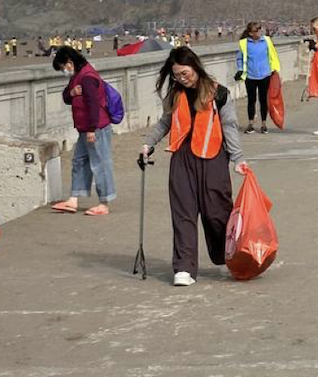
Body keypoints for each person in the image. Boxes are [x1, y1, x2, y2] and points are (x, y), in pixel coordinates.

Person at [140, 47, 248, 286]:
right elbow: (165, 123)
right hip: (182, 159)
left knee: (217, 212)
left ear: (195, 67)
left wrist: (238, 159)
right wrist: (148, 144)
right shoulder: (175, 95)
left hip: (214, 159)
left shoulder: (219, 94)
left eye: (184, 73)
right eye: (176, 75)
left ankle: (228, 256)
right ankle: (184, 267)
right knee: (183, 213)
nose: (180, 78)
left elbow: (229, 126)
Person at [50, 46, 116, 216]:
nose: (64, 71)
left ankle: (104, 202)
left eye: (63, 67)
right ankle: (73, 199)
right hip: (85, 129)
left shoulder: (87, 78)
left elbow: (94, 105)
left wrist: (92, 129)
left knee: (99, 164)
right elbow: (66, 97)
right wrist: (71, 92)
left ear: (69, 63)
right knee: (79, 161)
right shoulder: (78, 76)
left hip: (96, 128)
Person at [235, 21, 281, 134]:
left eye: (260, 29)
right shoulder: (244, 43)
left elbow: (273, 55)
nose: (260, 32)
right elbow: (239, 58)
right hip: (250, 75)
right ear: (250, 33)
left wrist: (274, 70)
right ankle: (250, 123)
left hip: (265, 74)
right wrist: (240, 70)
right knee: (251, 100)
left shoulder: (266, 41)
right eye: (257, 30)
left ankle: (264, 124)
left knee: (263, 100)